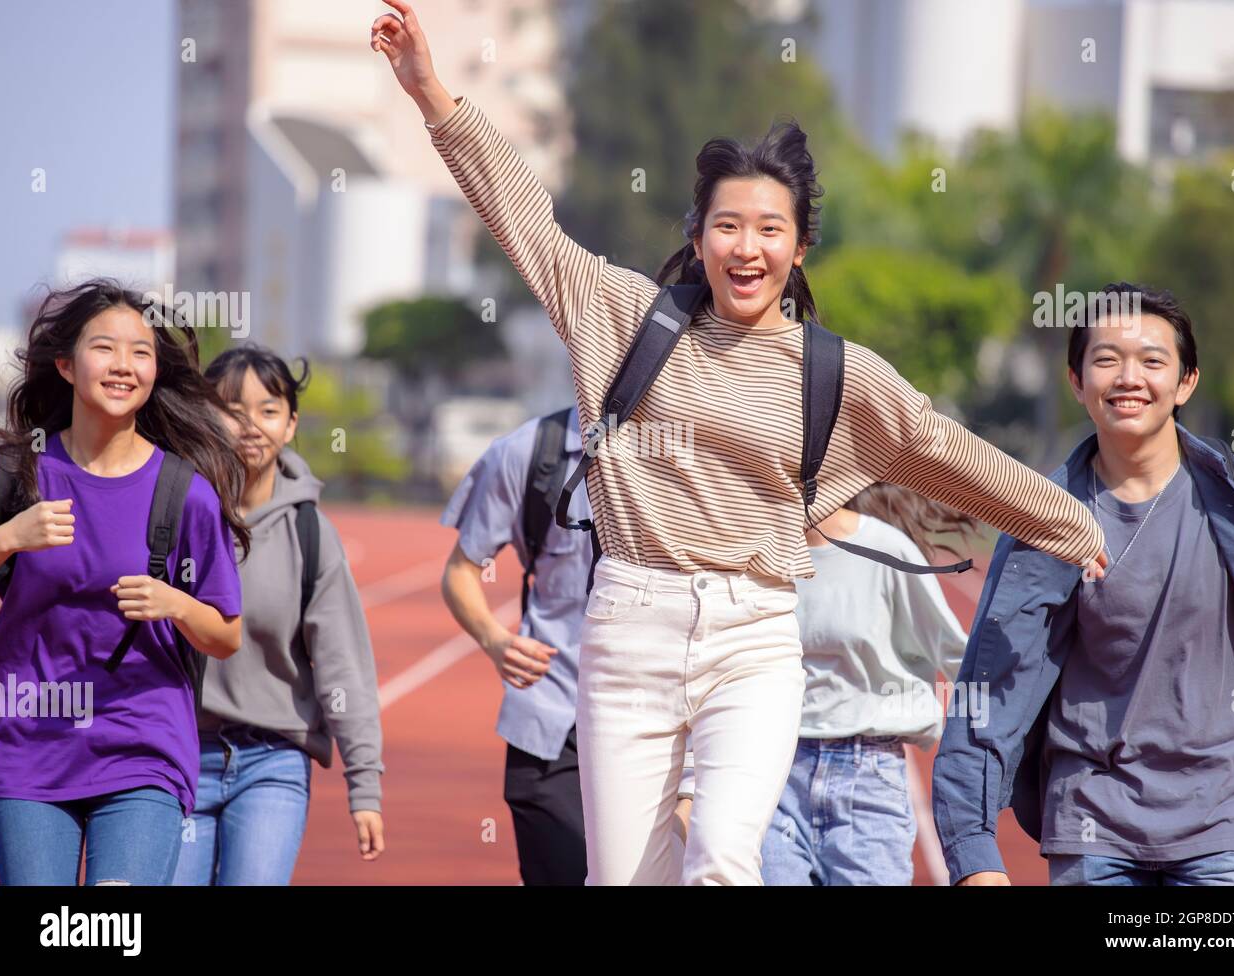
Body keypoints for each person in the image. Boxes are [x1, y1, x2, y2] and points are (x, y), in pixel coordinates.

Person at [370, 0, 1107, 885]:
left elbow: (948, 451)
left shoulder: (834, 372)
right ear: (698, 236)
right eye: (727, 226)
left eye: (770, 230)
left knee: (723, 855)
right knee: (624, 879)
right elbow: (524, 217)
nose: (746, 247)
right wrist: (430, 92)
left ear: (799, 249)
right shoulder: (622, 318)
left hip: (754, 632)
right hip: (629, 624)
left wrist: (1077, 528)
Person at [934, 282, 1234, 887]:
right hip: (1092, 820)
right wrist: (972, 848)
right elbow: (993, 681)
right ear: (1077, 381)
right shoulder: (1042, 518)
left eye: (1153, 361)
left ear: (1185, 383)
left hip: (1225, 815)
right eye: (1106, 360)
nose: (1129, 377)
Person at [0, 280, 245, 885]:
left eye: (141, 351)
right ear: (66, 364)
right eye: (105, 348)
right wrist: (6, 539)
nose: (123, 366)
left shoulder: (185, 494)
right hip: (27, 747)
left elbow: (226, 635)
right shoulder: (11, 474)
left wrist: (176, 602)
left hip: (141, 749)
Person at [173, 344, 385, 885]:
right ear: (204, 414)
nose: (250, 426)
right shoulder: (171, 515)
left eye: (268, 410)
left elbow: (343, 667)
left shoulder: (310, 535)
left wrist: (365, 783)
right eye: (232, 408)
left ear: (291, 425)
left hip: (273, 763)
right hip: (179, 758)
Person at [758, 483, 971, 885]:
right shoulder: (755, 549)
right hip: (773, 772)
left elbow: (956, 654)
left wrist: (1006, 746)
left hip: (867, 778)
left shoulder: (887, 549)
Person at [440, 404, 593, 885]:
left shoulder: (684, 451)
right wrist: (495, 639)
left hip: (660, 723)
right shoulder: (528, 452)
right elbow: (461, 571)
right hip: (553, 722)